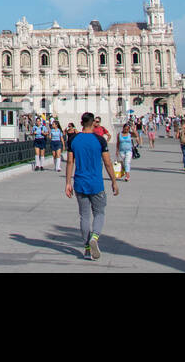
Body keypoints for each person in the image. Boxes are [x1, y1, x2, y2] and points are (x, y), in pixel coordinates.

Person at [65, 110, 119, 261]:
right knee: (100, 213)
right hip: (96, 183)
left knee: (84, 216)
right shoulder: (100, 140)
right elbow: (108, 163)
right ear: (94, 123)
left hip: (80, 182)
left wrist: (68, 182)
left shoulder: (73, 139)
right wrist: (114, 181)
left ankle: (87, 249)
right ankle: (94, 237)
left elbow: (70, 162)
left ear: (81, 123)